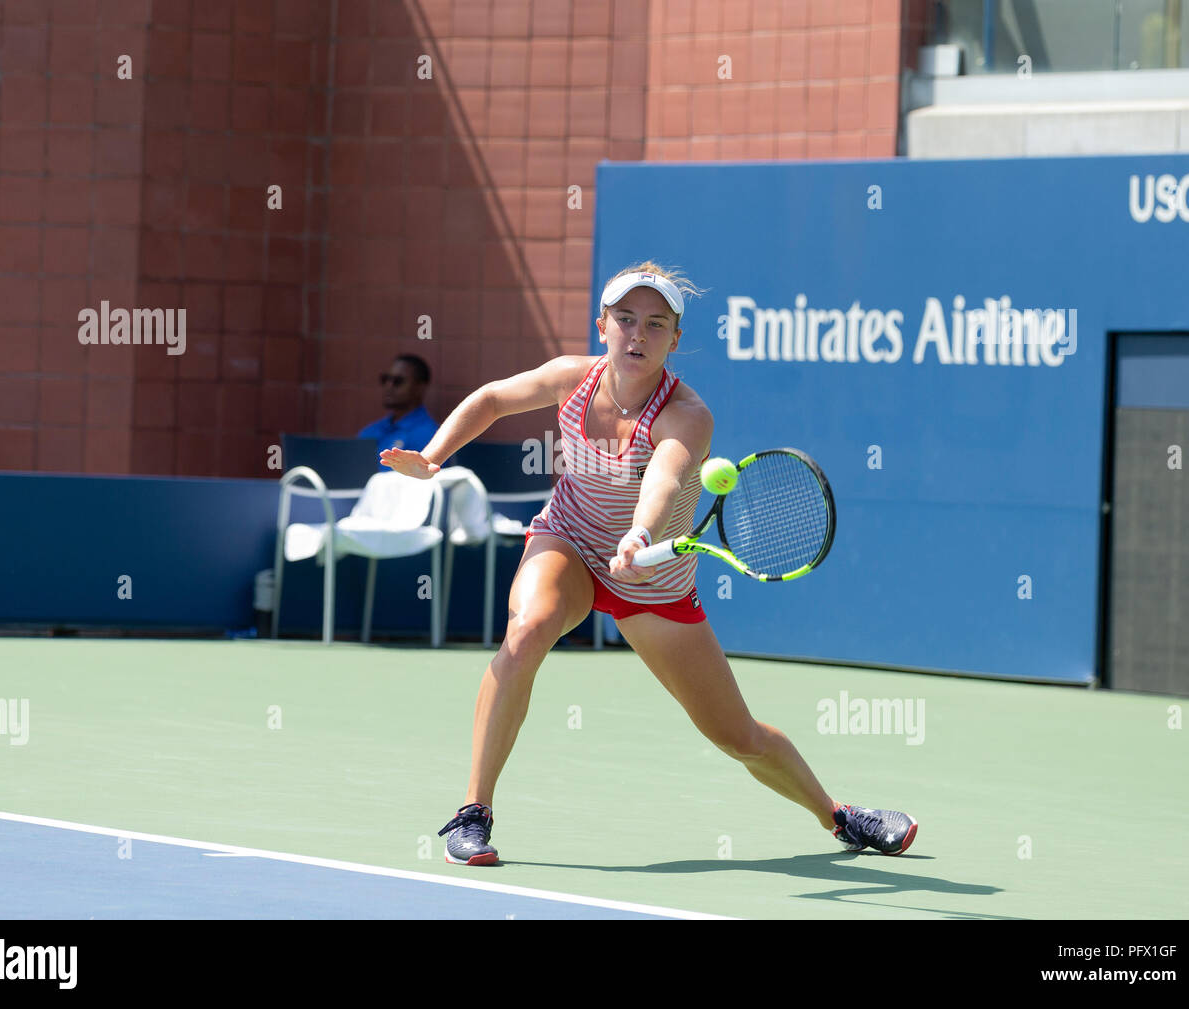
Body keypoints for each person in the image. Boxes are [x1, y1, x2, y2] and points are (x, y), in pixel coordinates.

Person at [380, 263, 917, 866]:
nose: (639, 334)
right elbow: (494, 398)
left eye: (656, 323)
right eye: (626, 320)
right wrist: (432, 457)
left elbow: (663, 477)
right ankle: (472, 814)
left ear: (674, 339)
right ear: (602, 325)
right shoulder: (570, 378)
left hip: (654, 582)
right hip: (571, 546)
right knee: (527, 631)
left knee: (735, 735)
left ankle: (839, 817)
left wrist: (639, 533)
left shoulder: (687, 414)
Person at [357, 354, 440, 455]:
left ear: (420, 387)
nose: (388, 386)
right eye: (385, 379)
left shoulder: (431, 437)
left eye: (398, 381)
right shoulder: (370, 432)